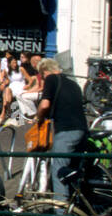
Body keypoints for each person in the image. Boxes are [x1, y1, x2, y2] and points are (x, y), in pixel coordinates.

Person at [34, 58, 86, 202]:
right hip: (82, 129)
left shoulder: (51, 79)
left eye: (42, 76)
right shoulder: (74, 84)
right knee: (72, 172)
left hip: (66, 130)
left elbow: (44, 105)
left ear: (45, 71)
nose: (43, 80)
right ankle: (75, 205)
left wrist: (38, 117)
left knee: (59, 171)